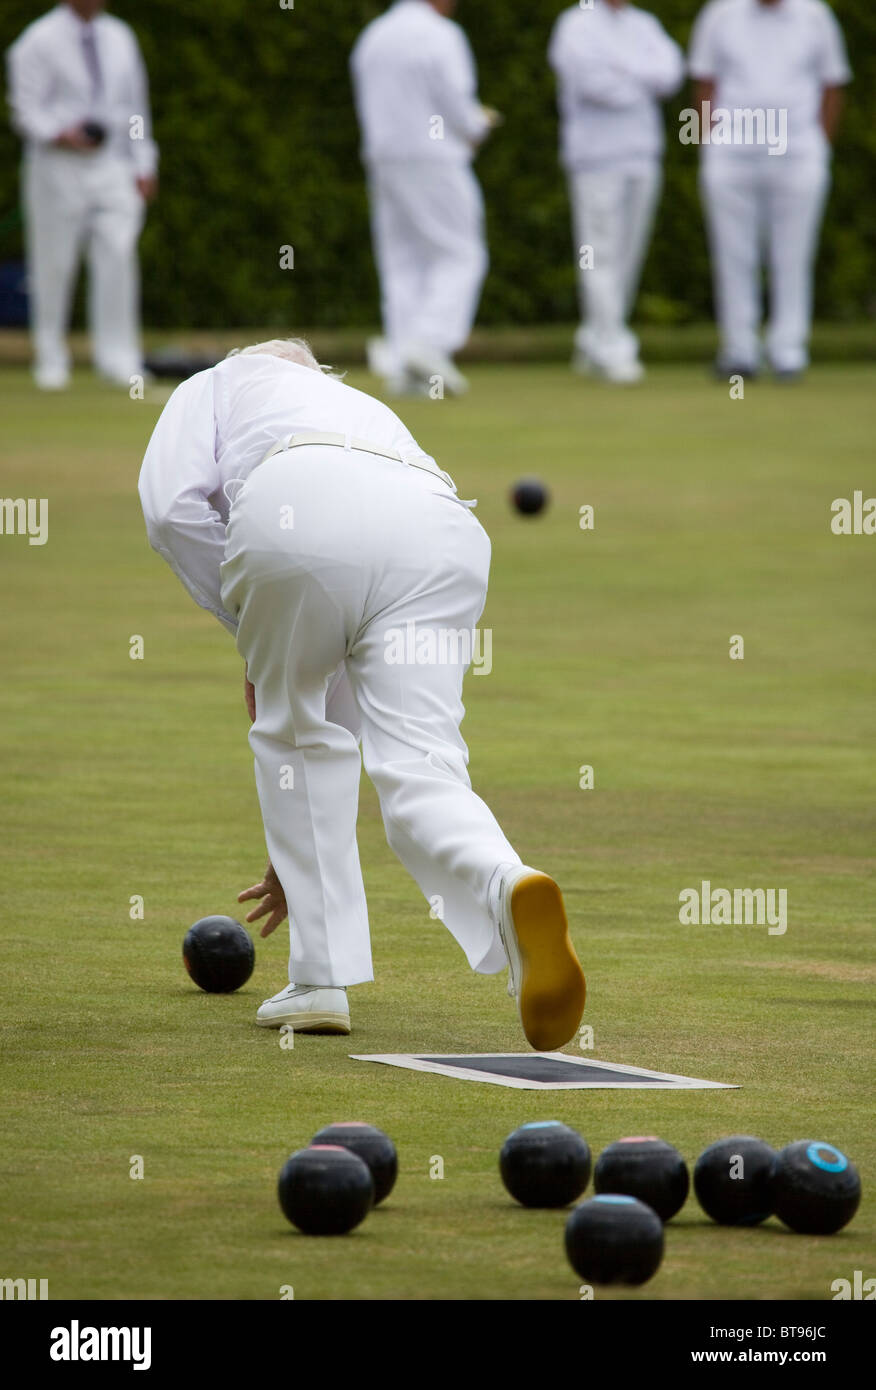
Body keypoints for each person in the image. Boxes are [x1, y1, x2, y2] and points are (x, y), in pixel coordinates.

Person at [138, 338, 586, 1049]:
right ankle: (508, 882)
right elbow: (339, 664)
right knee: (424, 767)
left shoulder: (217, 383)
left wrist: (247, 622)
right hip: (439, 527)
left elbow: (169, 510)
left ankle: (320, 979)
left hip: (299, 505)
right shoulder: (356, 403)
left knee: (294, 740)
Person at [689, 0, 851, 380]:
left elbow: (832, 85)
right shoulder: (720, 14)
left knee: (793, 255)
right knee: (733, 255)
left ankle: (788, 351)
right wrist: (706, 148)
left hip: (796, 152)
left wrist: (819, 148)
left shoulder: (815, 16)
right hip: (731, 153)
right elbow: (705, 84)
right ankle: (739, 351)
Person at [6, 0, 158, 390]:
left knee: (118, 255)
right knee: (53, 262)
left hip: (113, 164)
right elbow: (24, 110)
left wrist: (143, 160)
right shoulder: (37, 40)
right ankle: (51, 359)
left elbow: (135, 109)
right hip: (58, 165)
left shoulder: (121, 36)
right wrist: (61, 132)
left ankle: (119, 358)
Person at [350, 0, 499, 397]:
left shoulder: (374, 35)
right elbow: (458, 104)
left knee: (403, 260)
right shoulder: (442, 35)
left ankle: (406, 364)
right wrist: (478, 124)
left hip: (385, 159)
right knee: (460, 252)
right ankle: (428, 343)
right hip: (435, 157)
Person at [549, 0, 684, 383]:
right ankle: (612, 348)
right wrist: (642, 79)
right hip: (595, 157)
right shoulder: (575, 25)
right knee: (598, 253)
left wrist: (626, 73)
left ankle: (598, 339)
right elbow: (594, 85)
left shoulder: (644, 23)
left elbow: (670, 74)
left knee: (627, 255)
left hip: (642, 154)